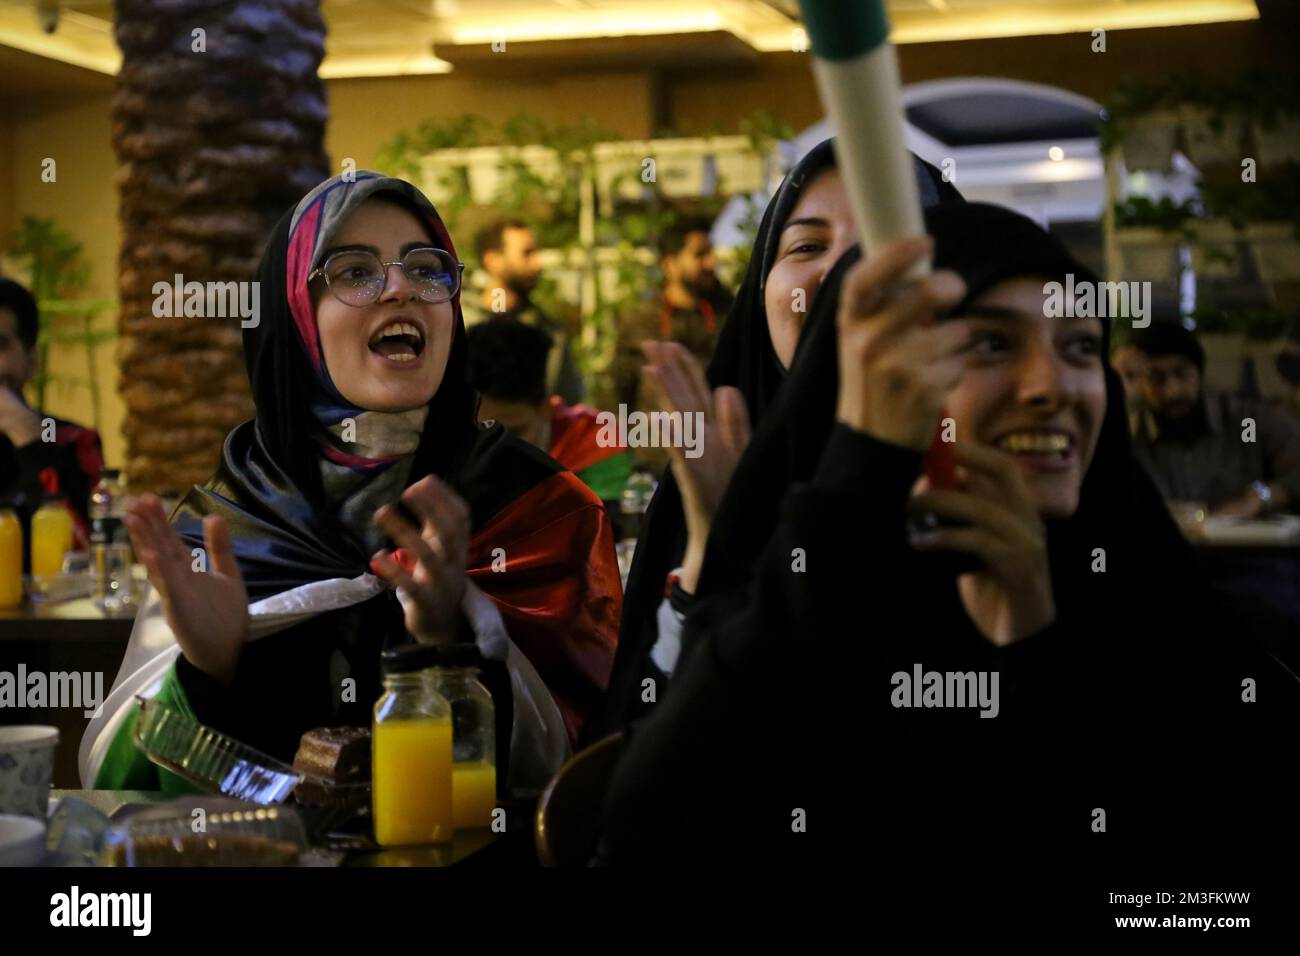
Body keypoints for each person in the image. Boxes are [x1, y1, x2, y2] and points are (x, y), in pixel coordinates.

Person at [598, 202, 1300, 867]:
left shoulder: (1146, 598)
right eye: (990, 343)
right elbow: (647, 835)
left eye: (1081, 345)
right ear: (867, 388)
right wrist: (856, 481)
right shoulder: (794, 598)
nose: (1051, 385)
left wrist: (1032, 646)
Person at [81, 173, 622, 791]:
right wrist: (207, 673)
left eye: (427, 269)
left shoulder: (540, 510)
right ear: (294, 318)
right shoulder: (224, 528)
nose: (401, 288)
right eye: (355, 271)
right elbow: (114, 780)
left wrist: (455, 643)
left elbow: (594, 767)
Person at [590, 142, 962, 741]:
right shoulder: (712, 487)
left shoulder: (996, 481)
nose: (842, 270)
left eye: (880, 242)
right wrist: (715, 548)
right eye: (807, 246)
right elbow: (642, 793)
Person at [1131, 321, 1300, 515]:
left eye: (1182, 373)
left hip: (1247, 542)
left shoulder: (1249, 420)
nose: (1172, 391)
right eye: (1156, 377)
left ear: (1199, 372)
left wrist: (1259, 499)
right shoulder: (1133, 431)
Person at [466, 316, 632, 502]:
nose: (497, 451)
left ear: (546, 408)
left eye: (513, 432)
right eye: (483, 432)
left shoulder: (597, 443)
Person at [0, 278, 103, 553]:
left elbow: (90, 557)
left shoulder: (74, 441)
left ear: (30, 361)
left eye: (0, 344)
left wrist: (30, 441)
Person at [463, 219, 585, 405]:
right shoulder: (456, 324)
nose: (537, 264)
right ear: (493, 261)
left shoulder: (549, 332)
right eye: (526, 254)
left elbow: (567, 401)